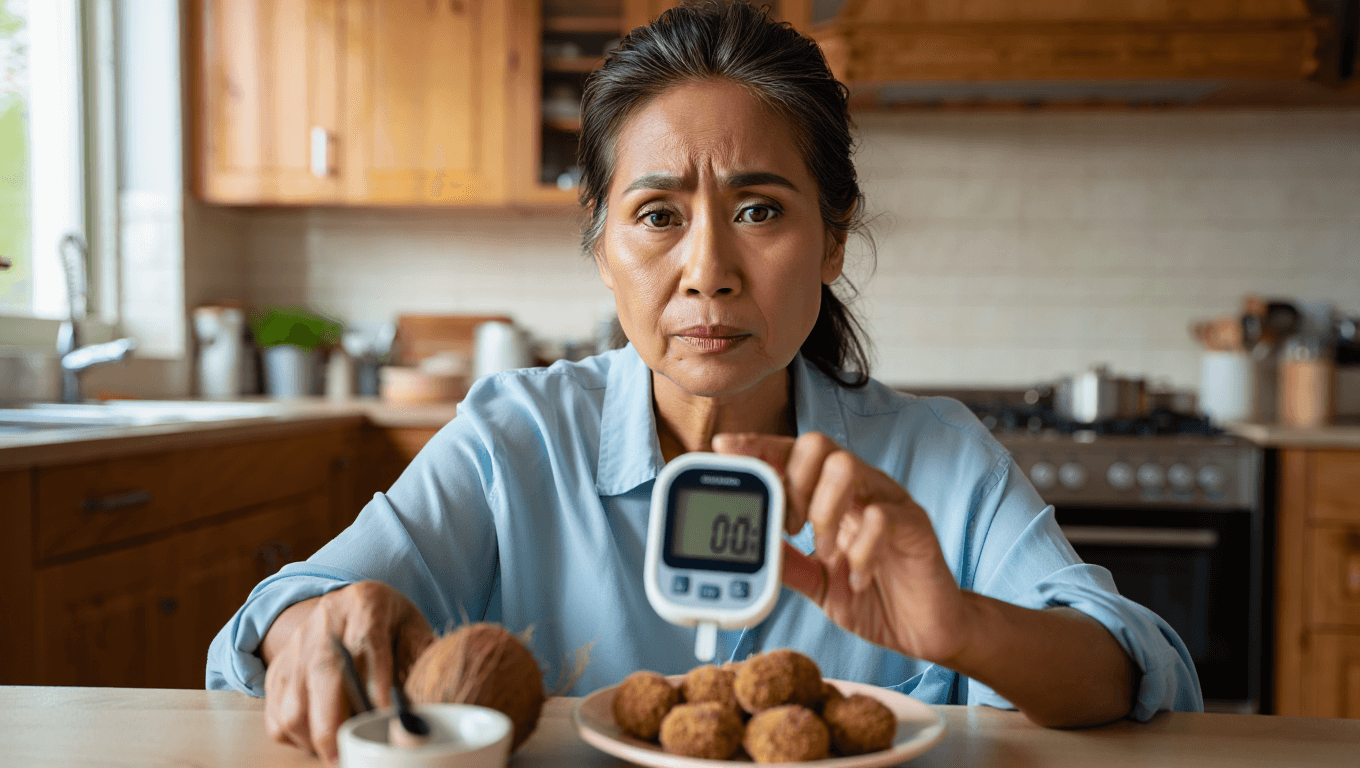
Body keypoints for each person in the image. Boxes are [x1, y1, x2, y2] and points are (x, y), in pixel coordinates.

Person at [207, 2, 1201, 762]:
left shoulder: (934, 459)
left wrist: (962, 628)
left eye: (761, 211)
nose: (709, 269)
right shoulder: (518, 437)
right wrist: (314, 621)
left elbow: (1129, 666)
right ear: (601, 247)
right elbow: (282, 622)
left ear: (831, 239)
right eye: (656, 215)